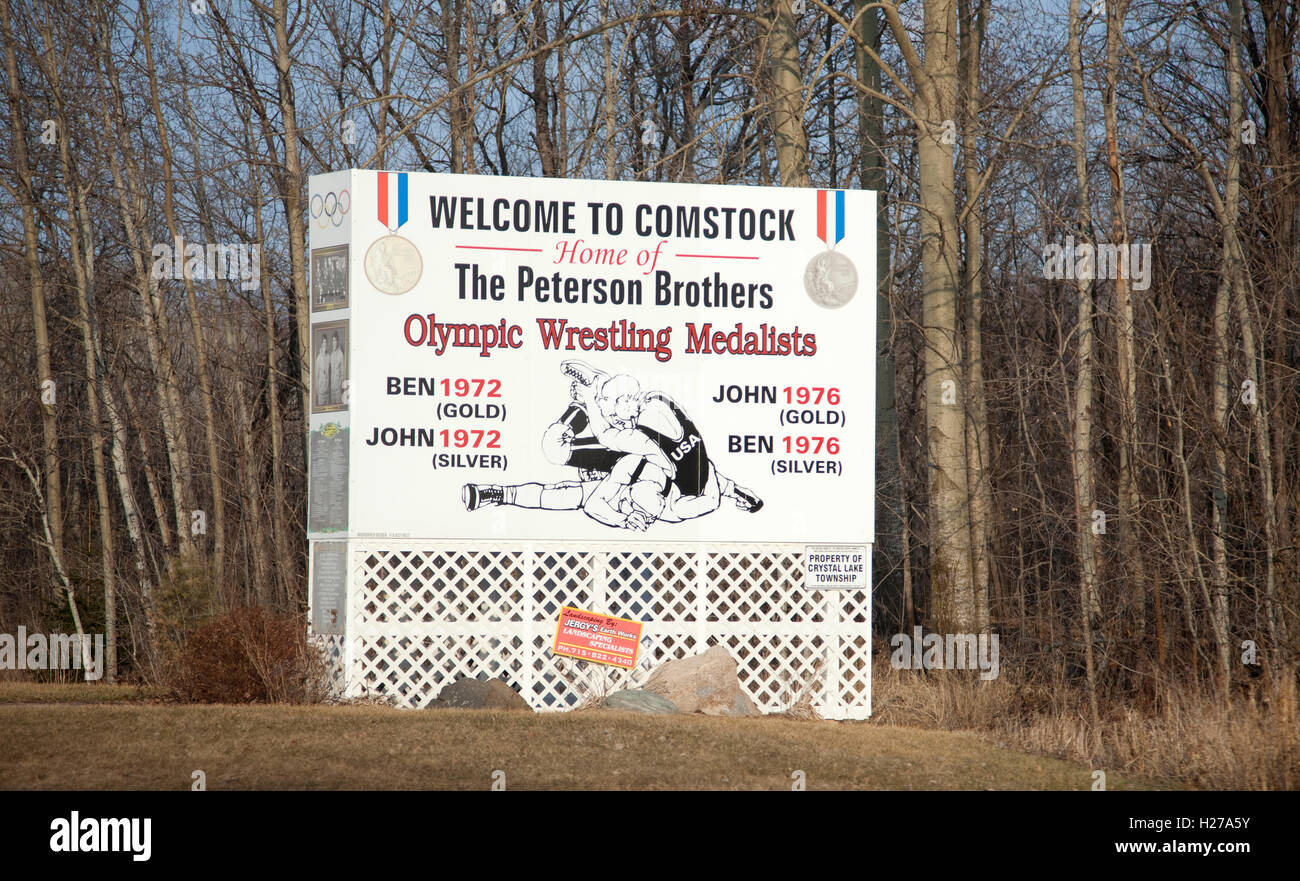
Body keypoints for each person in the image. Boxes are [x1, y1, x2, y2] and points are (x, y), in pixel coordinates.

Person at [542, 361, 763, 514]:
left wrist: (589, 400)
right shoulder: (660, 399)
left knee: (554, 448)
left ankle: (588, 396)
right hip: (677, 468)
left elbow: (606, 436)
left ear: (627, 401)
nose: (609, 412)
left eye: (609, 404)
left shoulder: (640, 440)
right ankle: (596, 389)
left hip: (644, 462)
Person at [329, 333, 345, 406]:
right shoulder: (331, 355)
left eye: (335, 340)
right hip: (332, 388)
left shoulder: (340, 354)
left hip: (338, 389)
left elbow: (342, 371)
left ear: (337, 341)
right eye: (333, 341)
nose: (334, 342)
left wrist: (340, 385)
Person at [314, 335, 330, 407]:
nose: (325, 344)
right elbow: (316, 376)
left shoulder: (328, 356)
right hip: (321, 392)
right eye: (324, 342)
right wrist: (317, 391)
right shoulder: (318, 358)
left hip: (328, 391)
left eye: (326, 342)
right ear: (321, 344)